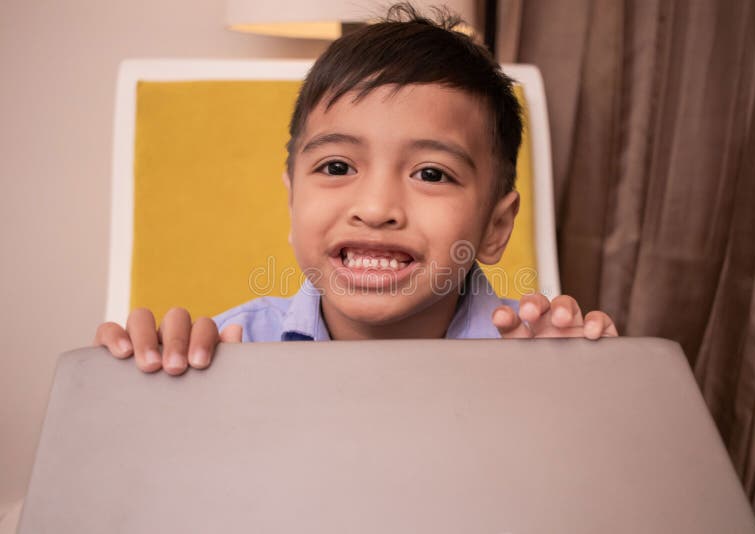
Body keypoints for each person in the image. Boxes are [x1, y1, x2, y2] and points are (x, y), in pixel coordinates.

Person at [93, 3, 618, 376]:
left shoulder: (535, 357)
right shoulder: (231, 351)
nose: (375, 208)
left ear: (496, 227)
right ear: (292, 200)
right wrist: (147, 389)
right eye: (338, 166)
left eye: (431, 174)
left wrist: (586, 395)